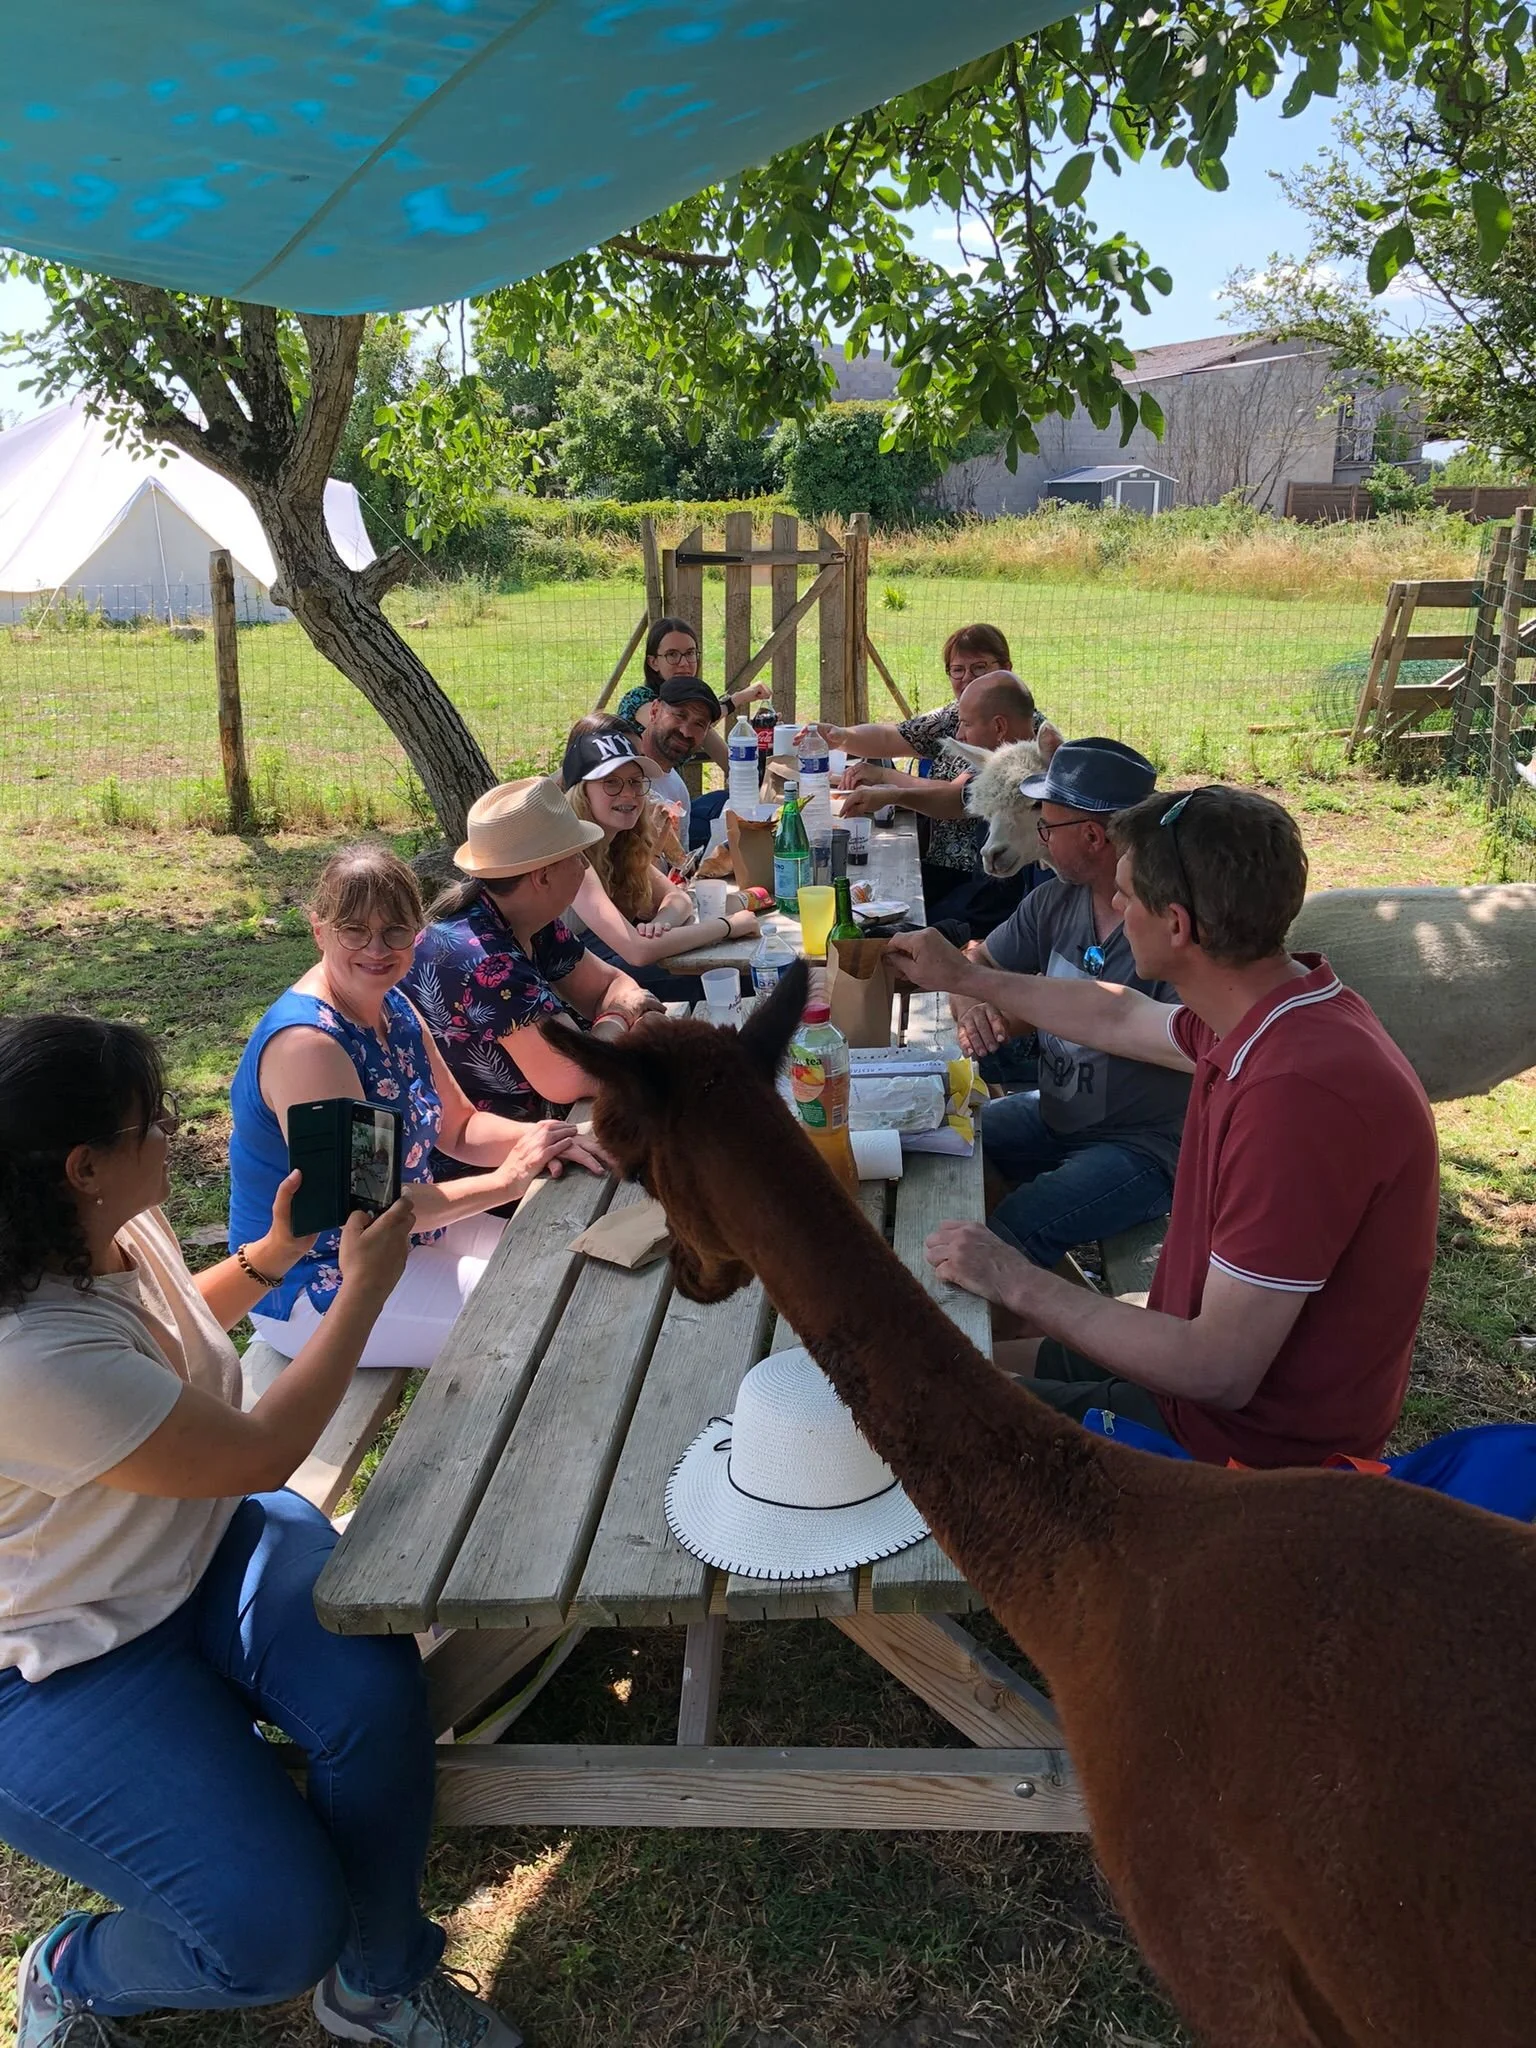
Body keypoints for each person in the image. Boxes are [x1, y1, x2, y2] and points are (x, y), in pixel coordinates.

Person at [0, 1014, 524, 2046]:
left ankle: (379, 1982)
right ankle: (77, 1966)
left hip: (202, 1542)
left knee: (372, 1700)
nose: (176, 1128)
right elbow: (259, 1452)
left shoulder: (94, 1224)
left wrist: (273, 1254)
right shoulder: (24, 1356)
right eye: (152, 1121)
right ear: (81, 1164)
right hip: (61, 1655)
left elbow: (147, 1341)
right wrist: (362, 1292)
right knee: (272, 1930)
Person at [888, 784, 1441, 1470]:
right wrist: (966, 977)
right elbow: (1117, 1015)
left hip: (1240, 1452)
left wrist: (1015, 1279)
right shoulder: (1269, 1007)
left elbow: (1220, 1369)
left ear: (1177, 926)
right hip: (1173, 1375)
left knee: (916, 1406)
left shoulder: (1300, 1097)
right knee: (929, 1361)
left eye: (1125, 895)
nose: (1114, 908)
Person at [230, 842, 602, 1373]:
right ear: (318, 930)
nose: (377, 948)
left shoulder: (394, 1005)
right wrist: (508, 1181)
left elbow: (460, 1128)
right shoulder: (309, 1045)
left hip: (410, 1234)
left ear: (418, 933)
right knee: (554, 1313)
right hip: (320, 1278)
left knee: (575, 1264)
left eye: (395, 931)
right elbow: (369, 1209)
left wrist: (541, 1139)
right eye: (354, 930)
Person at [954, 737, 1191, 1271]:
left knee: (1006, 1233)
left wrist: (984, 989)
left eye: (1046, 825)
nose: (1040, 838)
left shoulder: (1172, 928)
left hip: (1144, 1150)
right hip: (1054, 1114)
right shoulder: (1053, 899)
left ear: (1091, 836)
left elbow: (1166, 1034)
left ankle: (1034, 1345)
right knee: (945, 1144)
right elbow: (978, 967)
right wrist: (970, 1003)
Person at [405, 775, 670, 1138]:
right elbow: (578, 1073)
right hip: (505, 1165)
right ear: (543, 877)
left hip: (546, 1136)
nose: (585, 865)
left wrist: (613, 1018)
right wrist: (622, 1015)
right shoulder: (487, 963)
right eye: (577, 856)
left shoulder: (527, 921)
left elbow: (611, 983)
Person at [822, 628, 1062, 939]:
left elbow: (957, 798)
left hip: (979, 881)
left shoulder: (1033, 752)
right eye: (957, 670)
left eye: (979, 668)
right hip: (958, 865)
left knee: (884, 926)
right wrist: (840, 736)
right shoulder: (961, 712)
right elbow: (894, 736)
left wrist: (887, 786)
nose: (959, 734)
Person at [559, 717, 760, 1001]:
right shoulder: (571, 855)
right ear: (582, 791)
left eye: (634, 781)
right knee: (749, 975)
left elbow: (680, 900)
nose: (628, 794)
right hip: (565, 993)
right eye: (611, 783)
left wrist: (661, 923)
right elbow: (638, 951)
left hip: (600, 972)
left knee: (751, 971)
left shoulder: (619, 840)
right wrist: (728, 927)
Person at [615, 614, 770, 771]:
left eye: (690, 653)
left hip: (672, 792)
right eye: (672, 654)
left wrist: (762, 740)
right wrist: (738, 699)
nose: (684, 663)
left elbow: (733, 767)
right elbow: (672, 724)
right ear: (653, 662)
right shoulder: (637, 700)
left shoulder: (696, 720)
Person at [628, 674, 731, 848]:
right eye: (680, 715)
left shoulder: (678, 791)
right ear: (654, 711)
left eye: (699, 724)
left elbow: (677, 865)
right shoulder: (623, 772)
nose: (686, 732)